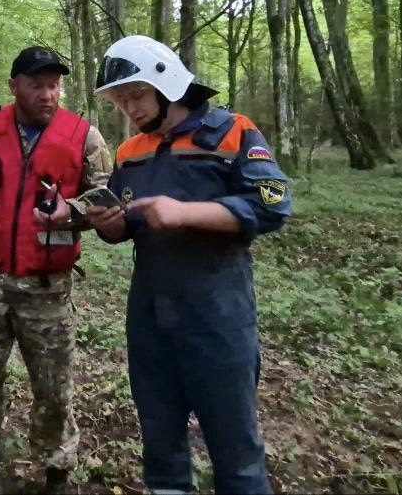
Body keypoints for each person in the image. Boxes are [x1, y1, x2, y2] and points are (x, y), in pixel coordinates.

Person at [85, 35, 291, 495]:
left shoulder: (232, 131)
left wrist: (184, 212)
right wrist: (108, 223)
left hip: (218, 316)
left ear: (167, 81)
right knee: (160, 442)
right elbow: (124, 227)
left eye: (136, 95)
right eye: (121, 101)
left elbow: (273, 206)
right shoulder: (130, 151)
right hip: (151, 316)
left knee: (235, 449)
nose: (131, 109)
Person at [0, 45, 113, 492]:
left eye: (54, 85)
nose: (48, 94)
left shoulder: (83, 136)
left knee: (53, 388)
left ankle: (56, 467)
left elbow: (109, 196)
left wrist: (71, 211)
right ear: (14, 85)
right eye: (36, 85)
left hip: (46, 288)